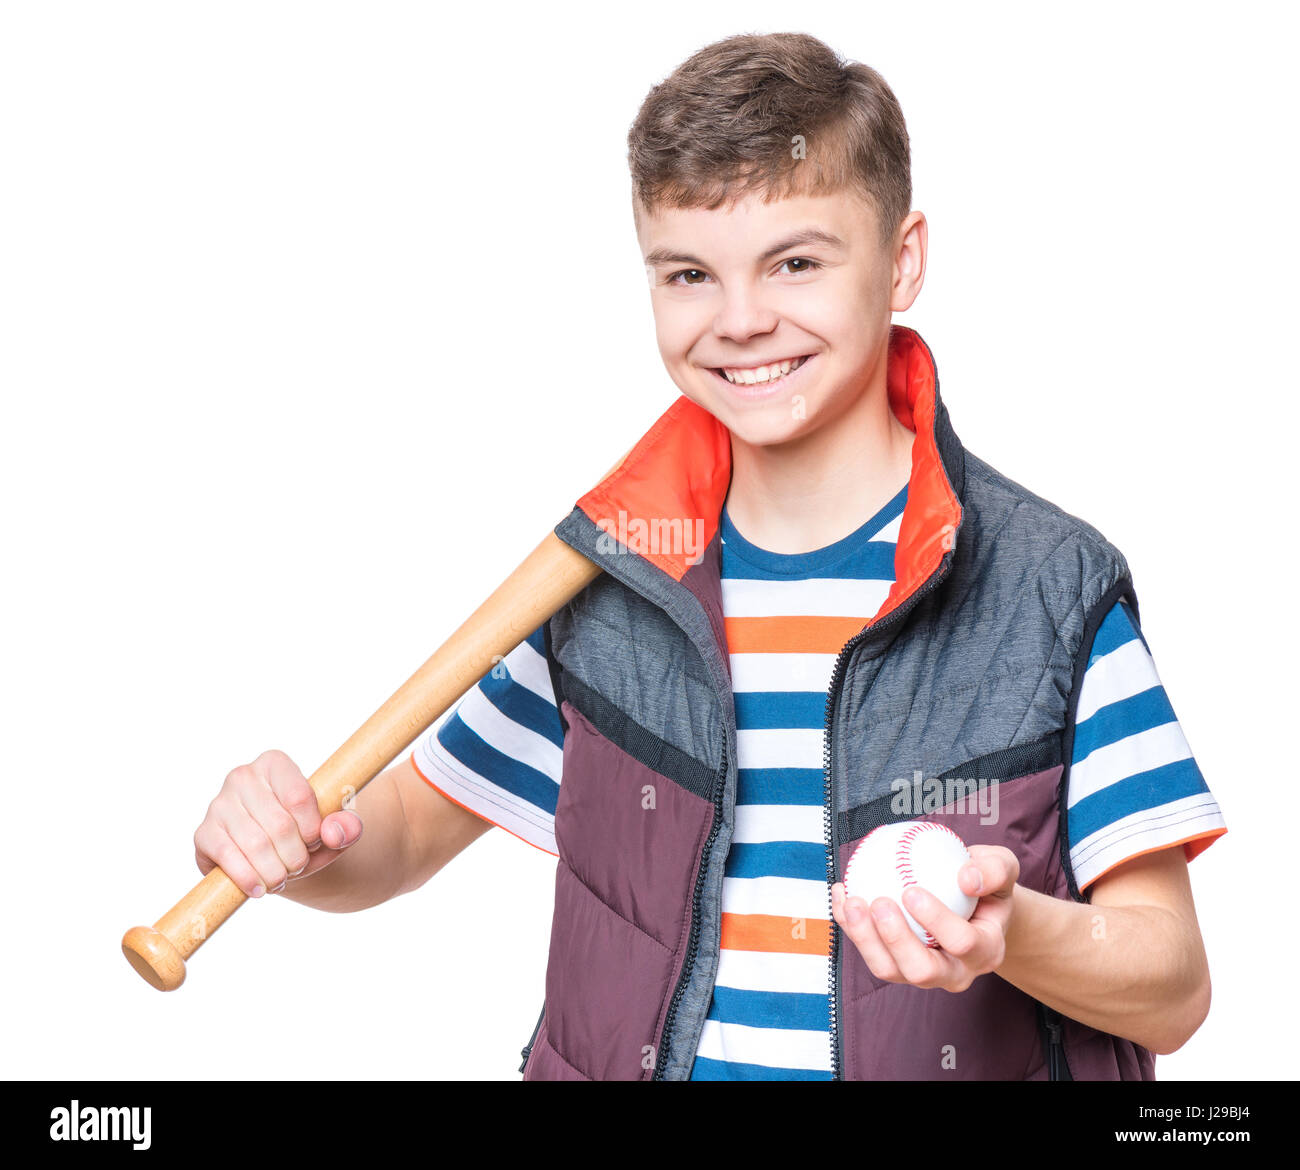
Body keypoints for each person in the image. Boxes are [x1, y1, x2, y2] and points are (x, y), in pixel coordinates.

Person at [192, 31, 1226, 1080]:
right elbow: (402, 836)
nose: (740, 321)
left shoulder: (1046, 593)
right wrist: (298, 841)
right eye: (690, 273)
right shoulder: (613, 577)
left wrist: (1016, 934)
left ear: (902, 258)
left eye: (796, 262)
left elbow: (1173, 988)